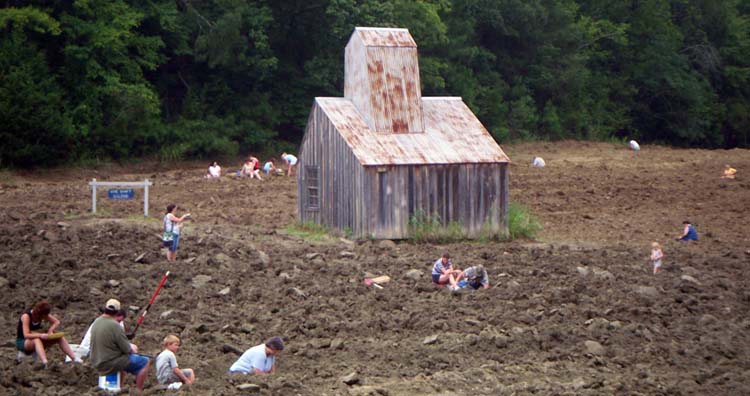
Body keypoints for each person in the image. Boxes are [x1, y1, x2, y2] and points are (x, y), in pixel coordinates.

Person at [90, 299, 149, 393]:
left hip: (96, 360)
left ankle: (119, 388)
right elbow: (126, 349)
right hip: (109, 363)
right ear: (117, 312)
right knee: (144, 362)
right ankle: (138, 392)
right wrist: (132, 349)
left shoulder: (97, 321)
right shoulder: (115, 325)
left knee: (122, 363)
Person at [16, 300, 79, 366]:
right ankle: (45, 362)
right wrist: (41, 335)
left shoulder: (44, 315)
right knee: (36, 340)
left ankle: (74, 358)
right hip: (24, 341)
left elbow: (56, 321)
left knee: (59, 337)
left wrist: (50, 331)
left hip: (37, 338)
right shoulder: (26, 316)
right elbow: (26, 335)